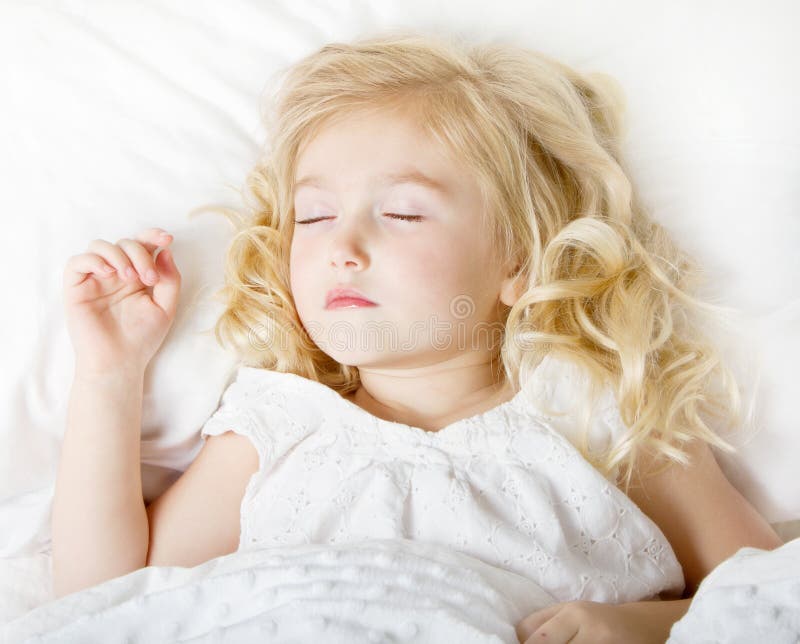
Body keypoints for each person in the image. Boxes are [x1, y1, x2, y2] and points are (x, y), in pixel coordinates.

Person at [53, 31, 782, 643]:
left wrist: (644, 628)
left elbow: (769, 591)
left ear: (520, 264)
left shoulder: (600, 417)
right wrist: (111, 373)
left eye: (402, 214)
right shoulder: (282, 428)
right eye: (312, 217)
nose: (344, 245)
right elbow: (107, 602)